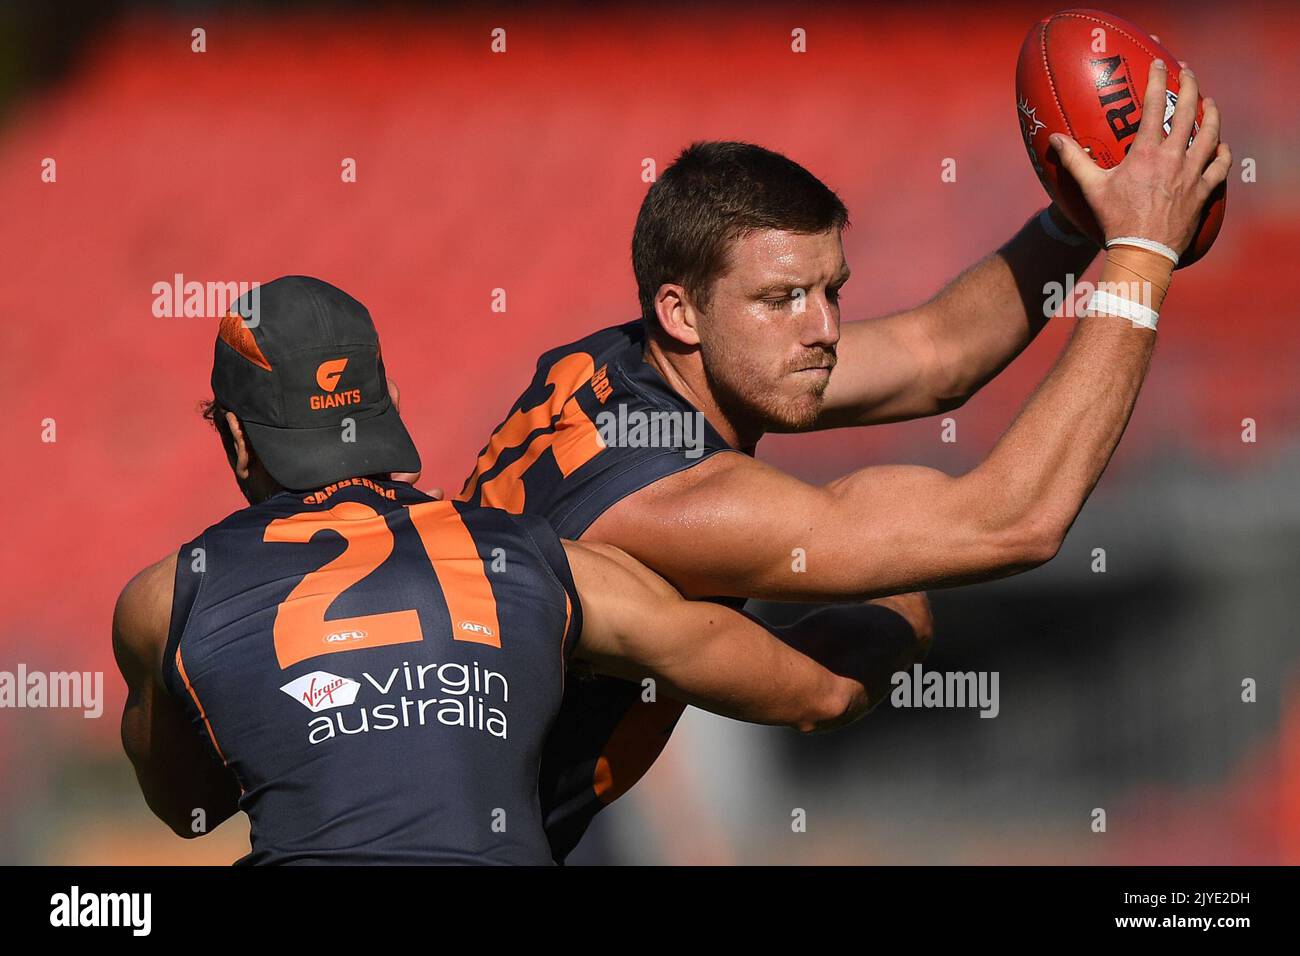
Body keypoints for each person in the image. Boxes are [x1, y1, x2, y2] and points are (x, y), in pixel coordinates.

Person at [456, 62, 1231, 860]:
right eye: (784, 298)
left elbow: (938, 355)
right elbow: (1015, 523)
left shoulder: (627, 364)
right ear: (680, 311)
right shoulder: (668, 500)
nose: (823, 328)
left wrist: (1075, 224)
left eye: (834, 290)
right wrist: (1140, 257)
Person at [113, 276, 911, 864]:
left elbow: (190, 809)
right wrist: (902, 584)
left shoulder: (166, 601)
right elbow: (821, 690)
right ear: (388, 396)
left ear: (238, 440)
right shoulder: (544, 562)